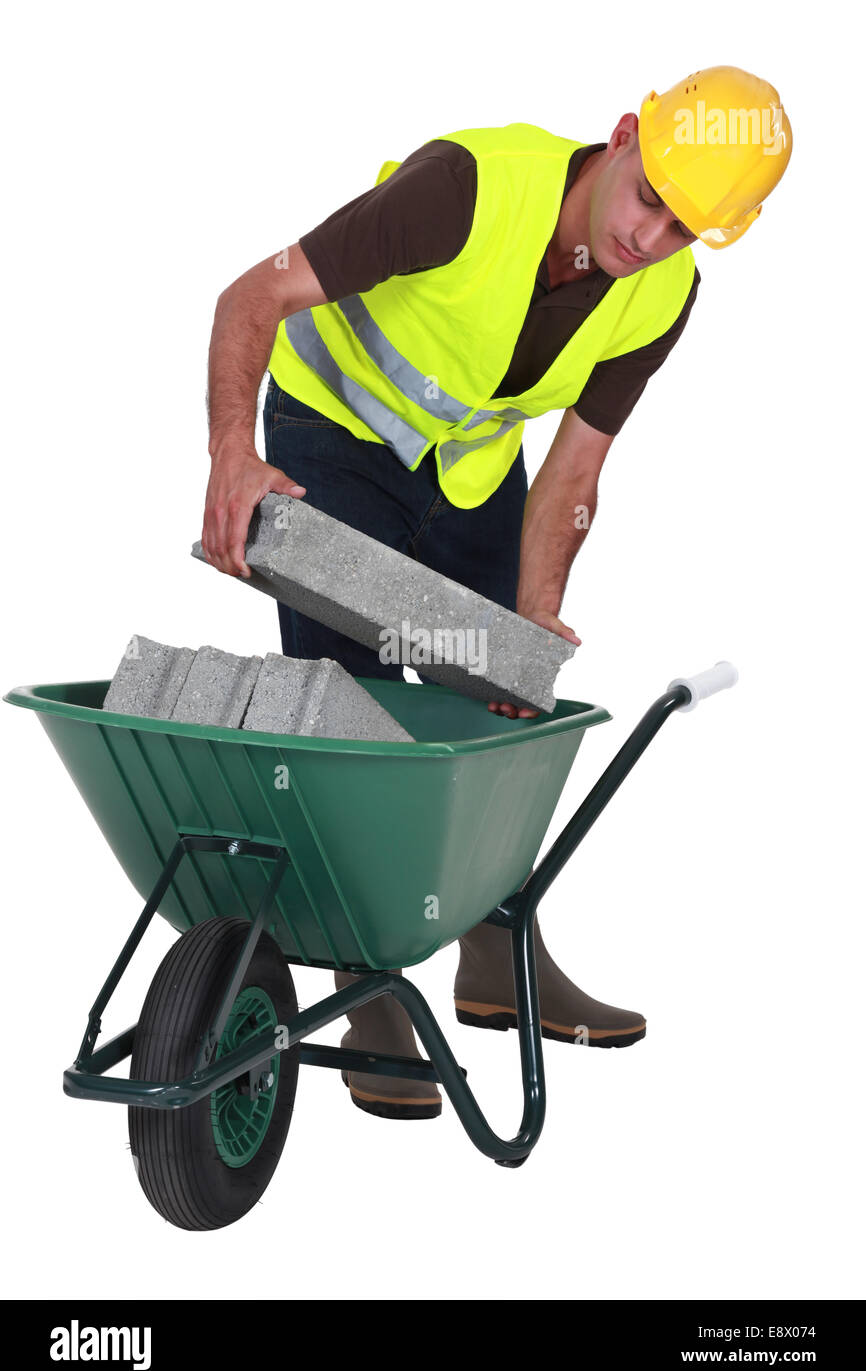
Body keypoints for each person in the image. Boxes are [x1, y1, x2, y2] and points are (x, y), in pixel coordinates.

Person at [200, 66, 792, 1119]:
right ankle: (363, 974)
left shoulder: (661, 291)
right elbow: (251, 296)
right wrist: (231, 461)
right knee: (355, 712)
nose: (647, 239)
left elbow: (573, 474)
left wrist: (529, 620)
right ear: (622, 137)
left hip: (465, 472)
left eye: (682, 229)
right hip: (332, 437)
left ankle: (494, 941)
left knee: (500, 705)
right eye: (649, 197)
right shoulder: (467, 187)